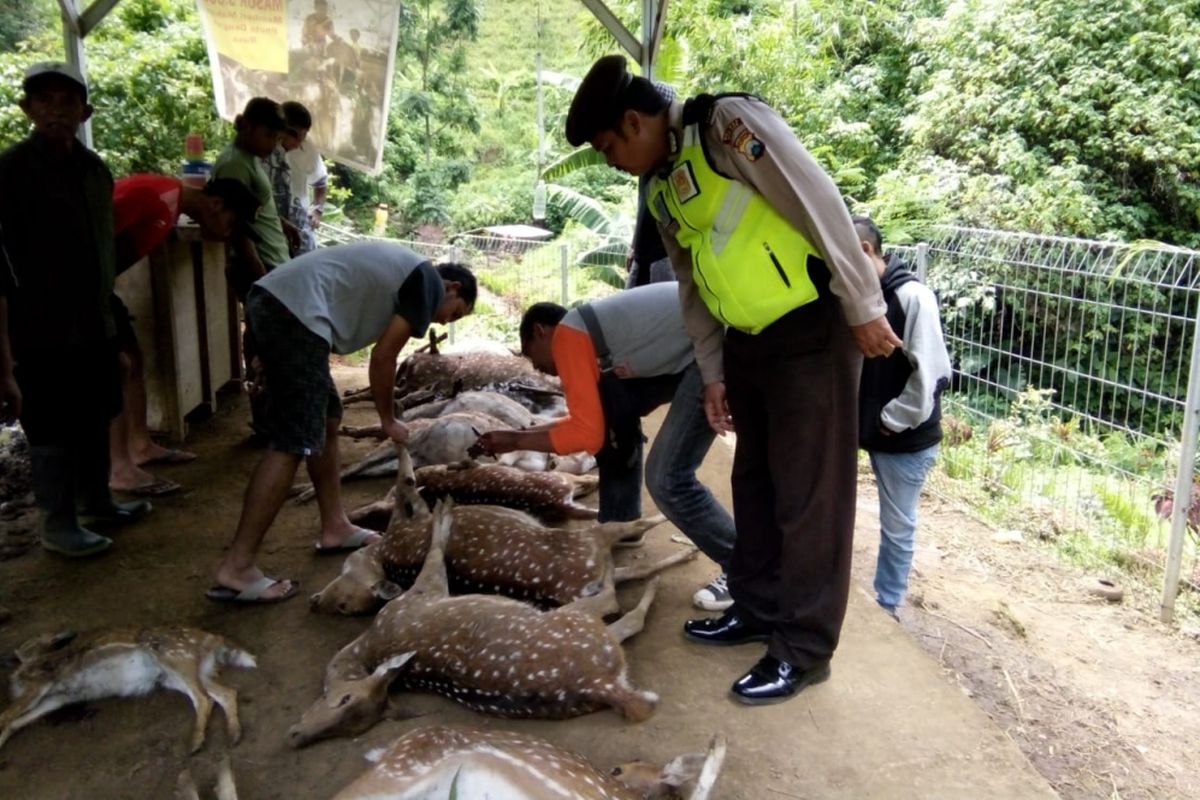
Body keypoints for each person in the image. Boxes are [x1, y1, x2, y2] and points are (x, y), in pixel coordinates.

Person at [565, 55, 902, 704]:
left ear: (634, 122)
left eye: (610, 147)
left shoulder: (725, 126)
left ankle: (803, 648)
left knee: (810, 494)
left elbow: (818, 201)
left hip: (812, 325)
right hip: (748, 343)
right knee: (755, 483)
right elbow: (692, 285)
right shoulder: (661, 186)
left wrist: (863, 304)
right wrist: (714, 371)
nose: (610, 161)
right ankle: (757, 606)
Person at [208, 242, 476, 604]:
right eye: (454, 314)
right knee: (294, 441)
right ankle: (237, 567)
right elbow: (384, 357)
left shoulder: (410, 274)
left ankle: (334, 526)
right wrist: (388, 419)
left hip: (282, 306)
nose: (444, 321)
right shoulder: (427, 281)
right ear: (453, 288)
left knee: (328, 417)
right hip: (293, 313)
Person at [475, 283, 738, 610]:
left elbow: (587, 435)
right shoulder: (590, 330)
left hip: (716, 349)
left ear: (540, 331)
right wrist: (518, 434)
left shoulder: (568, 337)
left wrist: (515, 439)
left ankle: (746, 570)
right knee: (615, 415)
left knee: (668, 478)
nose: (540, 370)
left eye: (532, 356)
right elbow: (594, 424)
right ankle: (622, 524)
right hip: (702, 344)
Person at [0, 62, 152, 558]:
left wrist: (109, 311)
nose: (56, 110)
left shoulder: (93, 170)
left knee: (96, 410)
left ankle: (98, 501)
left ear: (84, 111)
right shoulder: (12, 170)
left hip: (92, 316)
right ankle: (58, 522)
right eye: (43, 100)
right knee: (51, 422)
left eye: (66, 101)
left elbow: (102, 248)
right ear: (27, 109)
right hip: (37, 323)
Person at [107, 175, 262, 496]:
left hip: (97, 290)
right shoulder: (154, 196)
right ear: (216, 205)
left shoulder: (171, 205)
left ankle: (139, 445)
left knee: (133, 359)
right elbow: (87, 237)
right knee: (116, 366)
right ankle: (118, 468)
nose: (228, 233)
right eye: (231, 223)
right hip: (78, 290)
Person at [853, 217, 951, 617]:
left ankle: (887, 604)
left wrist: (892, 419)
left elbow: (930, 374)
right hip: (869, 428)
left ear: (865, 251)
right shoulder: (861, 296)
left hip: (904, 437)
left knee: (897, 527)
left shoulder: (912, 296)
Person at [213, 96, 293, 434]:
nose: (273, 145)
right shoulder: (233, 164)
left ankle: (275, 413)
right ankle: (266, 418)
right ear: (248, 126)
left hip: (272, 261)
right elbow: (237, 228)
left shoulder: (250, 159)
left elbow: (257, 209)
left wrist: (284, 225)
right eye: (269, 136)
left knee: (274, 338)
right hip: (257, 266)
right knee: (263, 340)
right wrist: (263, 279)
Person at [280, 101, 327, 255]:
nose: (299, 143)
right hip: (271, 227)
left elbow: (321, 182)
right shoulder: (262, 149)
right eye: (294, 136)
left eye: (303, 137)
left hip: (300, 223)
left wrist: (317, 209)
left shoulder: (307, 150)